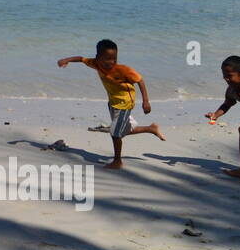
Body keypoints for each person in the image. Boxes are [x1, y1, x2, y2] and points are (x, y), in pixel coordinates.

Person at [57, 39, 162, 169]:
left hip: (125, 103)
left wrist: (145, 101)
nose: (111, 62)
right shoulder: (95, 64)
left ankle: (117, 161)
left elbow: (140, 81)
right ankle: (150, 128)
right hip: (112, 102)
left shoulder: (123, 70)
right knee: (121, 130)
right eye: (107, 59)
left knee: (115, 133)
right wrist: (66, 60)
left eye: (114, 58)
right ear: (98, 58)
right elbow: (81, 58)